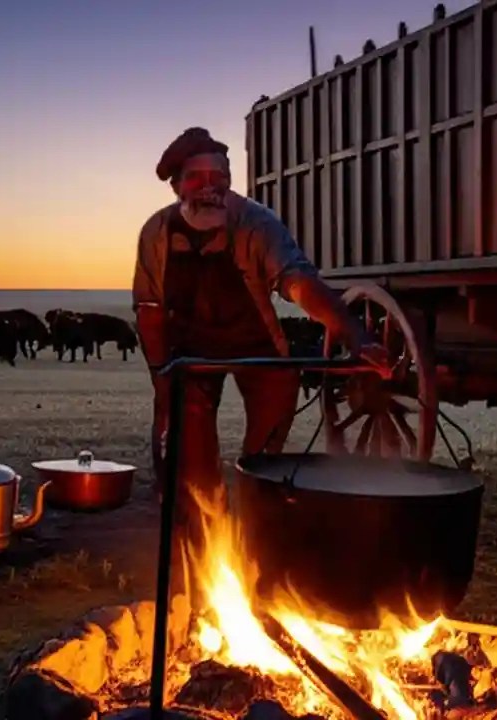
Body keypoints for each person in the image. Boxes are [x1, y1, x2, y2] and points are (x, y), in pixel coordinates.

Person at [131, 127, 386, 577]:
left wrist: (355, 338)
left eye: (219, 176)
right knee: (192, 470)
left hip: (258, 348)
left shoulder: (258, 224)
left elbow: (299, 282)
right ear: (177, 185)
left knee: (263, 464)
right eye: (196, 178)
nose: (209, 187)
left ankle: (256, 554)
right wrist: (162, 380)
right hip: (187, 353)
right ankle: (204, 562)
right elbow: (150, 312)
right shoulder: (155, 233)